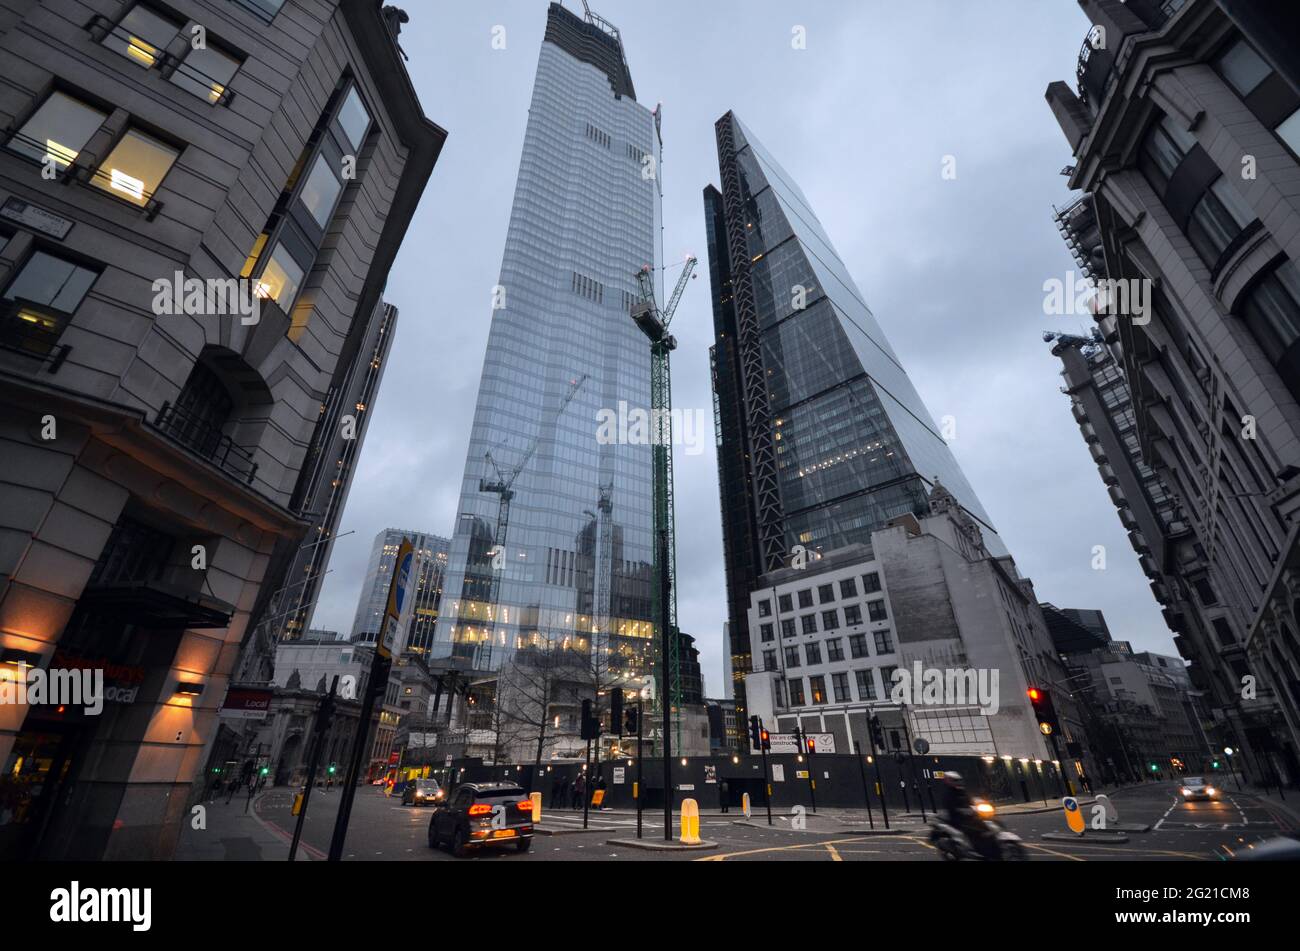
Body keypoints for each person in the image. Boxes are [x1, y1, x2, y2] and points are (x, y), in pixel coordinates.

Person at [939, 772, 998, 860]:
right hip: (958, 820)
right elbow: (951, 808)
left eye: (958, 780)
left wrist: (979, 803)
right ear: (949, 781)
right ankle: (980, 851)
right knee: (976, 830)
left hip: (968, 817)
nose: (958, 782)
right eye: (955, 780)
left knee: (988, 824)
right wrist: (963, 810)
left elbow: (970, 800)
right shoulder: (949, 794)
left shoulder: (961, 791)